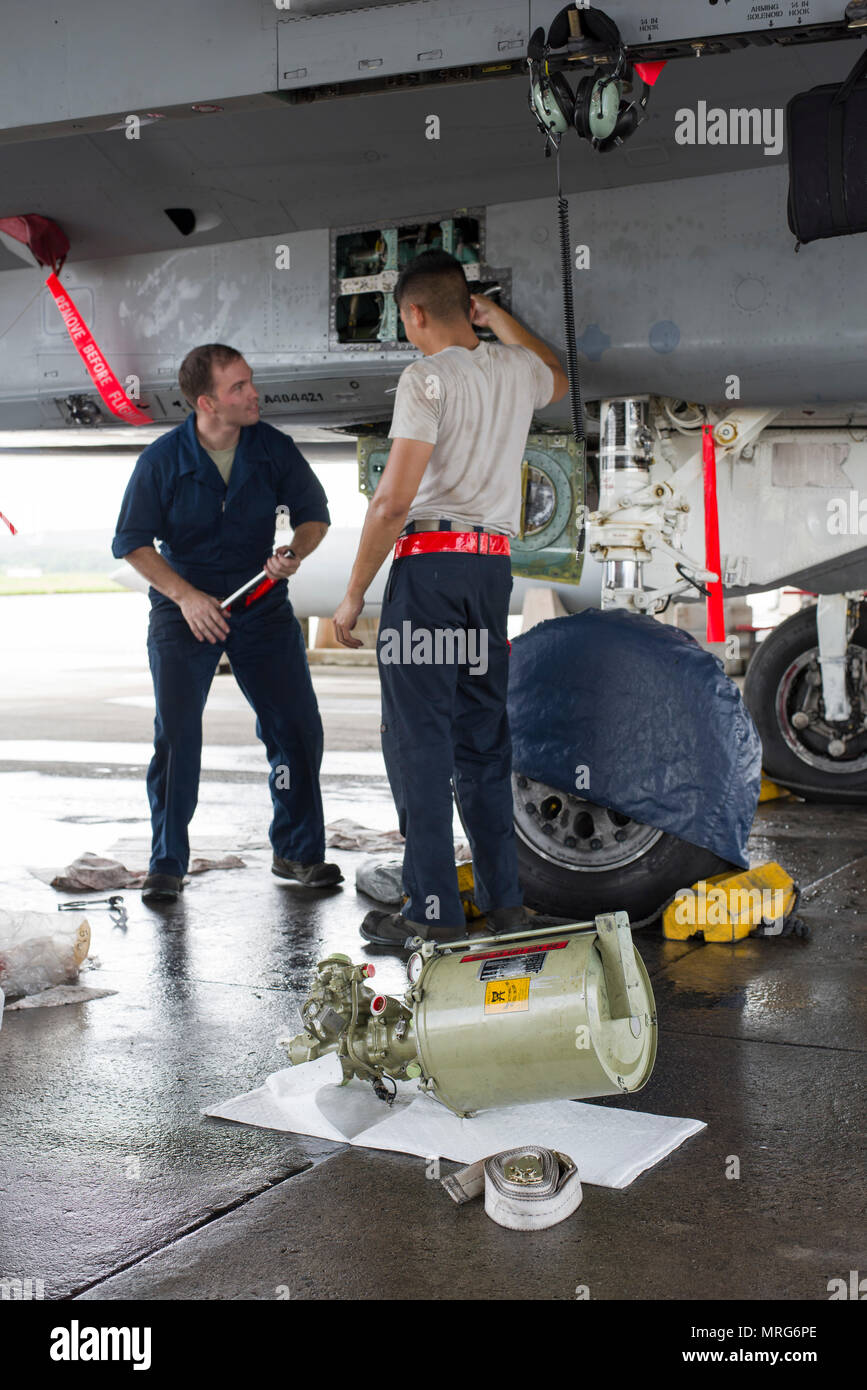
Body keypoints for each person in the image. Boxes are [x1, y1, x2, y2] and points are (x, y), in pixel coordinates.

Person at [333, 250, 568, 947]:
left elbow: (392, 500)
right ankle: (504, 905)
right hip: (488, 575)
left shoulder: (425, 379)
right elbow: (555, 375)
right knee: (481, 743)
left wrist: (351, 597)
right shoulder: (513, 370)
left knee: (418, 744)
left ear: (412, 314)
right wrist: (502, 321)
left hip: (429, 574)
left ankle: (429, 910)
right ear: (467, 306)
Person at [112, 343, 342, 902]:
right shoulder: (162, 460)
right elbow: (132, 544)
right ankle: (167, 860)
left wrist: (294, 552)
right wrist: (187, 597)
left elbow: (315, 516)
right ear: (206, 401)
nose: (252, 394)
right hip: (182, 607)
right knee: (178, 735)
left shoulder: (272, 449)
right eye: (238, 387)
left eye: (250, 382)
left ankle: (297, 852)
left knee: (295, 728)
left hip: (258, 602)